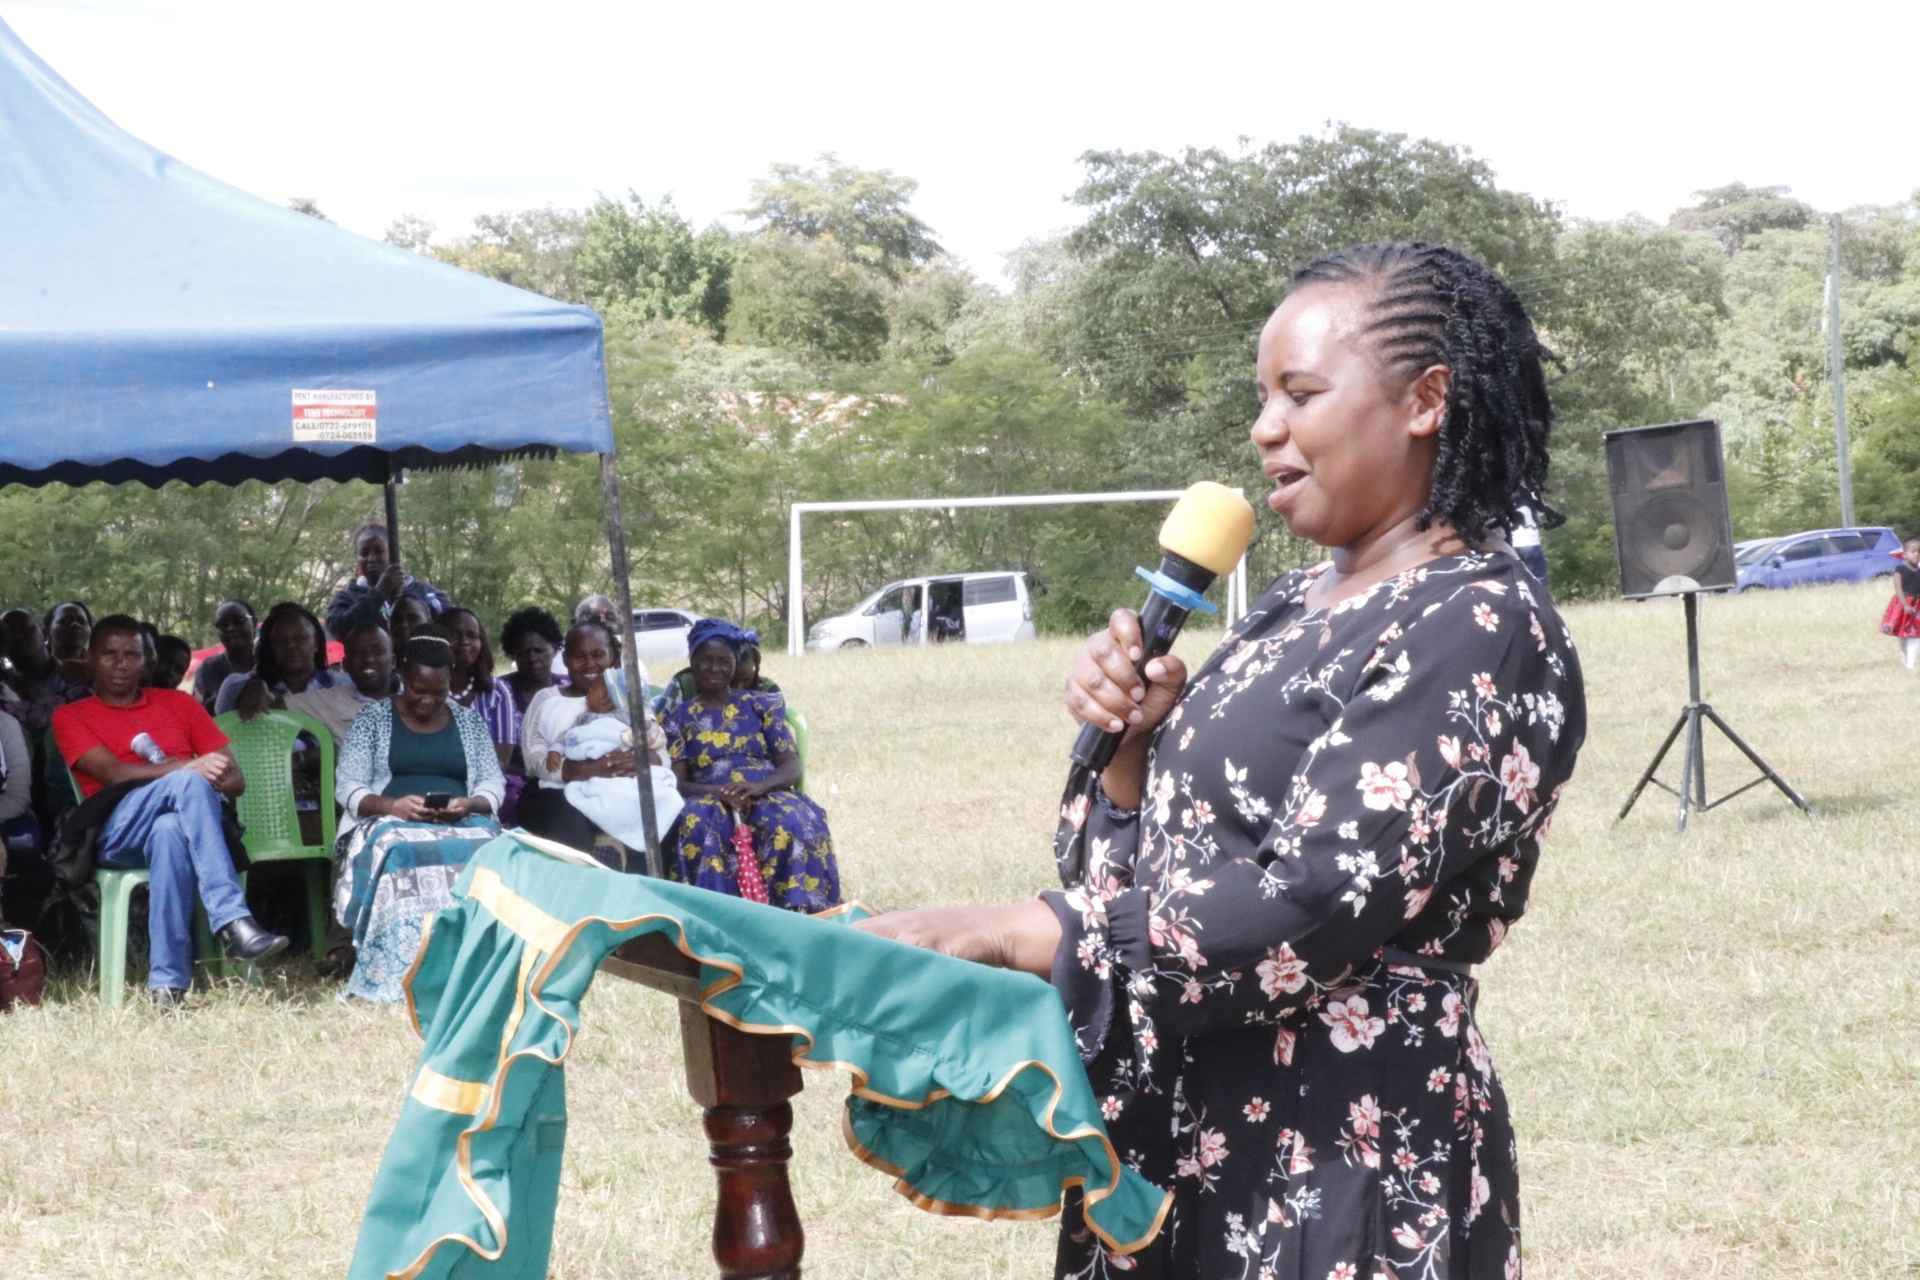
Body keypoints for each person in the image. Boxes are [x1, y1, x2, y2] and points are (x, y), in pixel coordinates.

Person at [857, 242, 1587, 1280]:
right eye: (1262, 398)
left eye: (1300, 393)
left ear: (1426, 400)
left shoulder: (1480, 623)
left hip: (1339, 1152)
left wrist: (1028, 931)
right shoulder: (1290, 604)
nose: (1265, 428)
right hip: (1179, 1125)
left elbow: (1316, 901)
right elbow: (1149, 873)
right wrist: (1133, 755)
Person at [53, 615, 288, 1006]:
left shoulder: (180, 704)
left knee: (169, 832)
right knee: (188, 783)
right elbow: (113, 774)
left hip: (180, 823)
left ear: (146, 660)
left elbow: (235, 780)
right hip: (116, 831)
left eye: (132, 654)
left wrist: (197, 774)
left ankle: (168, 985)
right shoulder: (71, 715)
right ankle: (232, 920)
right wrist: (189, 769)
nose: (121, 663)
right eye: (109, 654)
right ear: (90, 658)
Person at [333, 628, 504, 1002]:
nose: (428, 700)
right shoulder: (373, 718)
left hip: (462, 820)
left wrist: (469, 804)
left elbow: (493, 782)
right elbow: (347, 786)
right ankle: (398, 968)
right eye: (418, 690)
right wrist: (392, 806)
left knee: (494, 848)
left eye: (439, 693)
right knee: (398, 848)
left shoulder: (469, 722)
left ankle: (477, 968)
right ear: (401, 675)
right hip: (388, 822)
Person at [662, 619, 839, 910]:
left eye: (724, 661)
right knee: (698, 821)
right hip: (710, 795)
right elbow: (677, 783)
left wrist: (757, 787)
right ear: (692, 662)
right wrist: (718, 792)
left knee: (793, 820)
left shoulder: (762, 705)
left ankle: (799, 915)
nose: (715, 668)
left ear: (735, 664)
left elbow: (791, 765)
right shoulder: (678, 718)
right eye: (706, 660)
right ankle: (716, 918)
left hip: (764, 789)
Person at [518, 619, 667, 863]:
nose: (589, 664)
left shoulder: (629, 697)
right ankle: (580, 882)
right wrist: (591, 769)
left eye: (598, 655)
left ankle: (640, 882)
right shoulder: (547, 699)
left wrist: (640, 760)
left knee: (656, 808)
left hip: (621, 788)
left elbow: (660, 750)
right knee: (567, 817)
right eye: (579, 656)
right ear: (565, 659)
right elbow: (534, 760)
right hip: (558, 791)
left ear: (613, 656)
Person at [325, 522, 452, 641]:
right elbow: (339, 629)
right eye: (364, 553)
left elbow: (452, 626)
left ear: (393, 552)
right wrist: (379, 592)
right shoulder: (346, 597)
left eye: (379, 552)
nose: (371, 559)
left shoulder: (424, 592)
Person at [214, 602, 343, 715]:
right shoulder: (236, 688)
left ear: (316, 643)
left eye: (299, 638)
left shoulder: (343, 685)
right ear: (270, 647)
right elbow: (221, 732)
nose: (290, 645)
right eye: (280, 640)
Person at [285, 623, 397, 748]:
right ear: (346, 665)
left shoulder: (411, 695)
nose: (368, 658)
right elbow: (276, 704)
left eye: (378, 651)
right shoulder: (329, 701)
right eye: (358, 652)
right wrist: (264, 691)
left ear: (393, 661)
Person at [659, 630, 780, 714]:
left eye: (747, 680)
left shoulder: (768, 692)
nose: (739, 688)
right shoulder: (687, 686)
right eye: (732, 683)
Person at [500, 606, 567, 714]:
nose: (532, 659)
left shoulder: (569, 686)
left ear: (554, 650)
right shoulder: (499, 692)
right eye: (523, 653)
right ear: (513, 655)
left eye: (539, 651)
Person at [193, 600, 257, 711]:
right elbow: (196, 713)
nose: (231, 628)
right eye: (223, 624)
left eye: (238, 620)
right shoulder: (208, 670)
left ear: (254, 623)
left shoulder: (272, 662)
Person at [1881, 535, 1920, 669]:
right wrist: (1905, 605)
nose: (1916, 554)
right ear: (1904, 555)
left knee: (1914, 635)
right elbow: (1898, 589)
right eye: (1913, 551)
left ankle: (1910, 665)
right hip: (1903, 605)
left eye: (1919, 552)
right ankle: (1906, 656)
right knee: (1902, 637)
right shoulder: (1899, 570)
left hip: (1917, 607)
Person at [46, 600, 93, 688]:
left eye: (82, 621)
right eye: (66, 621)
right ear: (47, 631)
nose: (75, 625)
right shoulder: (34, 669)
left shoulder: (99, 671)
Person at [387, 595, 434, 659]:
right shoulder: (378, 660)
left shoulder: (442, 660)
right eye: (396, 619)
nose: (403, 624)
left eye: (412, 619)